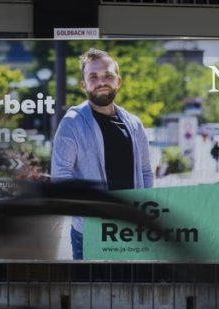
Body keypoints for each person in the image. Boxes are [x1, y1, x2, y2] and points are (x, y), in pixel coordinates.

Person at [51, 48, 152, 260]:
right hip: (91, 233)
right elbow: (60, 176)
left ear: (118, 81)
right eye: (93, 77)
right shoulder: (72, 123)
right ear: (84, 85)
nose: (101, 81)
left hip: (131, 231)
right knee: (91, 292)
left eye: (107, 75)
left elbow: (145, 171)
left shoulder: (134, 123)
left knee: (132, 290)